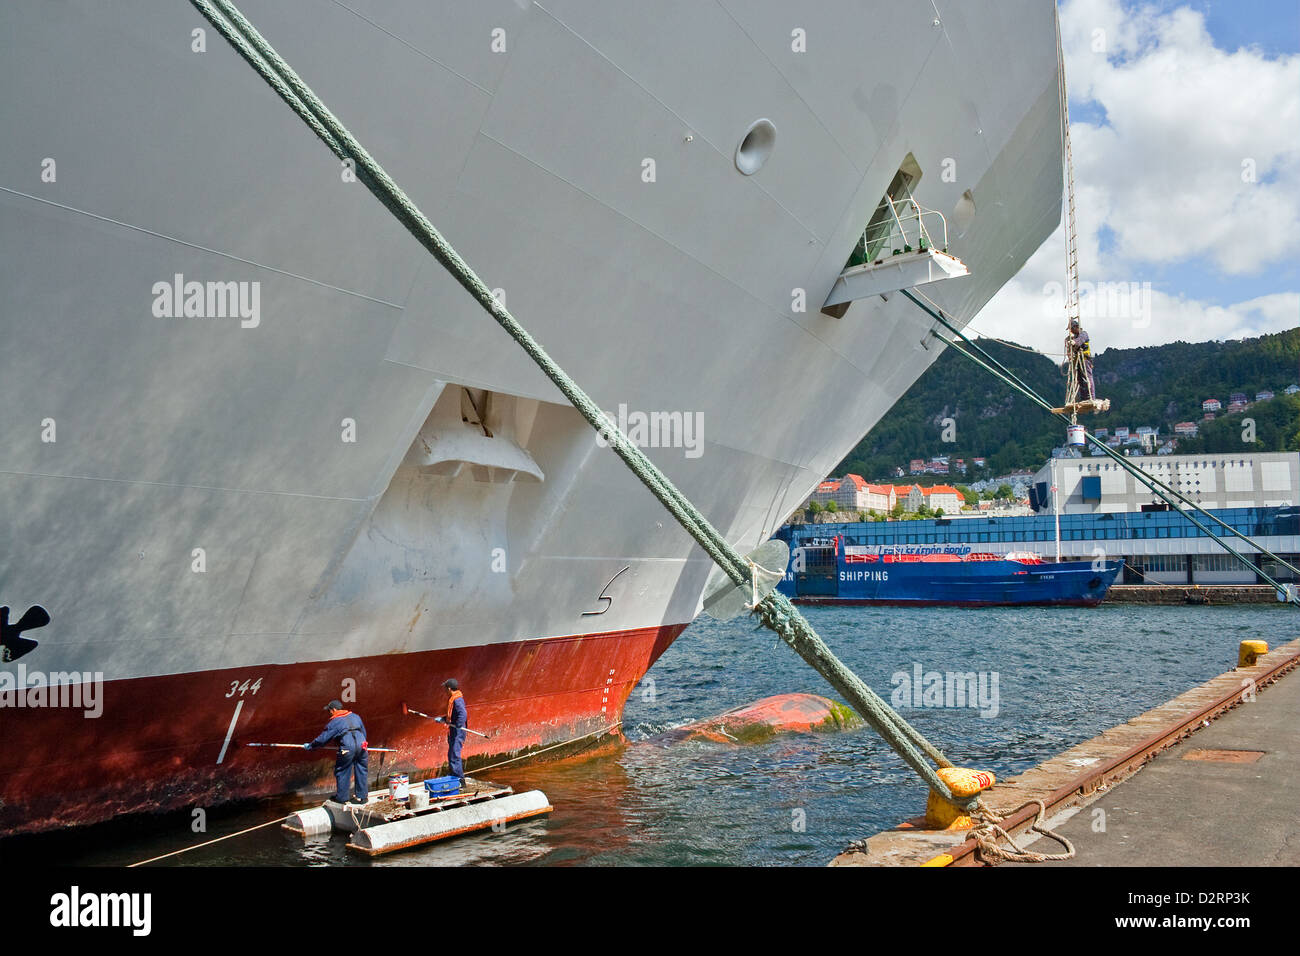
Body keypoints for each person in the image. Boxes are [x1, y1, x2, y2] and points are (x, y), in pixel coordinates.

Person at [306, 700, 368, 804]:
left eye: (329, 710)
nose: (329, 713)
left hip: (347, 747)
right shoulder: (356, 716)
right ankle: (363, 797)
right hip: (362, 745)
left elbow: (323, 739)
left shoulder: (335, 721)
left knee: (343, 771)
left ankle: (342, 798)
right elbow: (364, 733)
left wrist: (311, 746)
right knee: (361, 769)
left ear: (334, 710)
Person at [436, 678, 468, 786]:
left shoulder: (457, 700)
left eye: (445, 688)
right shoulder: (453, 699)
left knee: (455, 754)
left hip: (458, 731)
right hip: (454, 730)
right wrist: (444, 719)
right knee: (451, 754)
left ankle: (460, 781)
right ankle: (453, 777)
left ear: (449, 689)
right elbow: (453, 715)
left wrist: (458, 725)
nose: (445, 691)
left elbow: (462, 714)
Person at [1067, 318, 1095, 402]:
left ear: (1076, 327)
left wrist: (1074, 342)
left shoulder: (1083, 334)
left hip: (1085, 360)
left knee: (1087, 377)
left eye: (1072, 329)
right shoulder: (1074, 337)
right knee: (1080, 379)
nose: (1071, 331)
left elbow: (1080, 340)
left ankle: (1091, 397)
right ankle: (1084, 398)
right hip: (1078, 361)